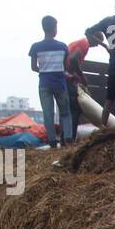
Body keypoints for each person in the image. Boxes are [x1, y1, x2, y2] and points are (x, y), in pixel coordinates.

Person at [28, 15, 74, 148]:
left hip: (44, 83)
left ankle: (53, 141)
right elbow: (65, 67)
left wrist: (44, 70)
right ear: (54, 28)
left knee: (48, 114)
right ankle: (68, 139)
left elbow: (33, 67)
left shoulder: (35, 47)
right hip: (59, 83)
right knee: (65, 112)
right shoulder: (62, 46)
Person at [65, 31, 91, 133]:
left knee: (66, 110)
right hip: (68, 79)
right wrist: (82, 76)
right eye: (97, 42)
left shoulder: (77, 43)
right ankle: (71, 138)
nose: (96, 45)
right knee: (75, 109)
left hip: (64, 77)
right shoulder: (85, 44)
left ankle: (65, 139)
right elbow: (73, 59)